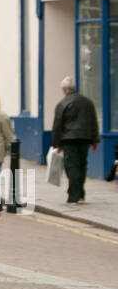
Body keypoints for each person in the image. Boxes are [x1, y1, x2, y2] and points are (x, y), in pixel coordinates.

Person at [51, 76, 100, 205]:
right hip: (85, 138)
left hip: (69, 139)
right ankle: (81, 193)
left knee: (72, 166)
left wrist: (57, 144)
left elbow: (57, 125)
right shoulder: (88, 102)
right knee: (82, 165)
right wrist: (95, 140)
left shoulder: (62, 103)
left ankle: (73, 196)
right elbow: (93, 122)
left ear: (65, 89)